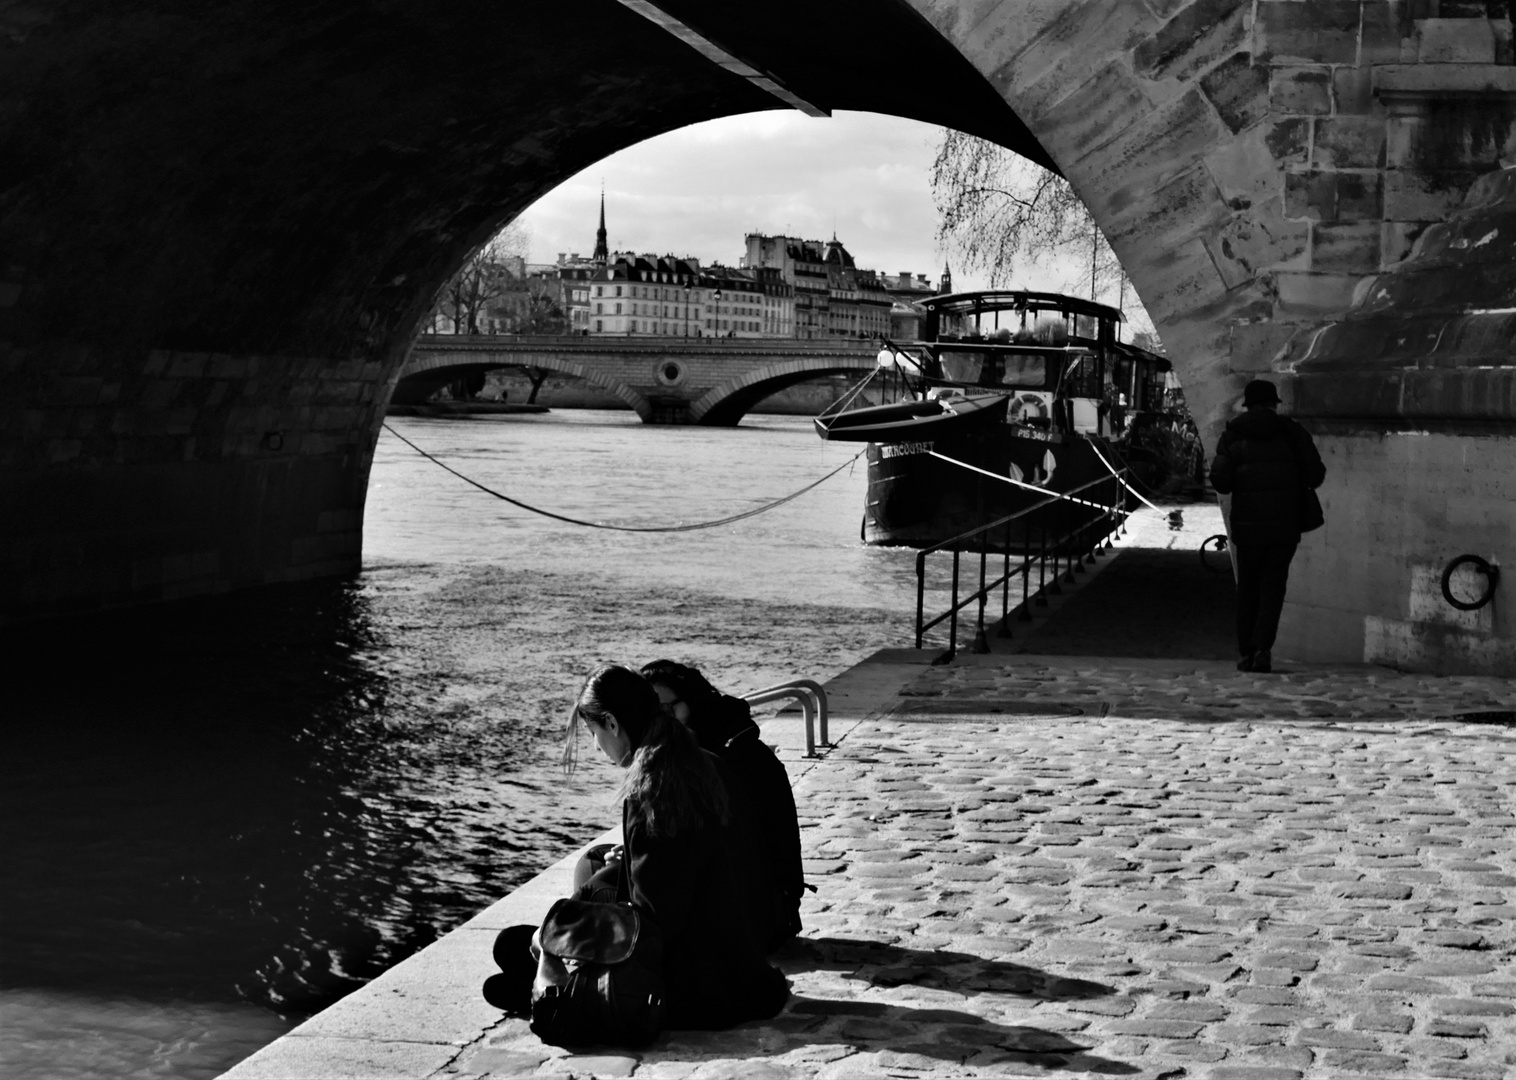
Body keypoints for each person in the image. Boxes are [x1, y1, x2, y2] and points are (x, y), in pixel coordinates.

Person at [485, 664, 788, 1032]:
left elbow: (655, 922)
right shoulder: (704, 760)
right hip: (743, 964)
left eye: (593, 732)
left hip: (698, 989)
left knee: (515, 942)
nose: (597, 746)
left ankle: (560, 989)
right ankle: (549, 983)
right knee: (537, 934)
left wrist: (563, 934)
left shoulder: (653, 786)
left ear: (612, 723)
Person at [640, 660, 805, 951]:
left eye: (668, 710)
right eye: (652, 713)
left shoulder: (728, 760)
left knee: (601, 878)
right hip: (757, 903)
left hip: (755, 914)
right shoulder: (717, 745)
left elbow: (715, 851)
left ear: (692, 703)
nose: (660, 722)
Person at [1209, 379, 1325, 673]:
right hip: (1284, 526)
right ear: (1274, 404)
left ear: (1247, 405)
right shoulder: (1292, 432)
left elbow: (1221, 482)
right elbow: (1316, 474)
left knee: (1247, 588)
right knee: (1273, 587)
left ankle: (1246, 653)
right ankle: (1263, 648)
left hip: (1247, 527)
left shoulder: (1233, 435)